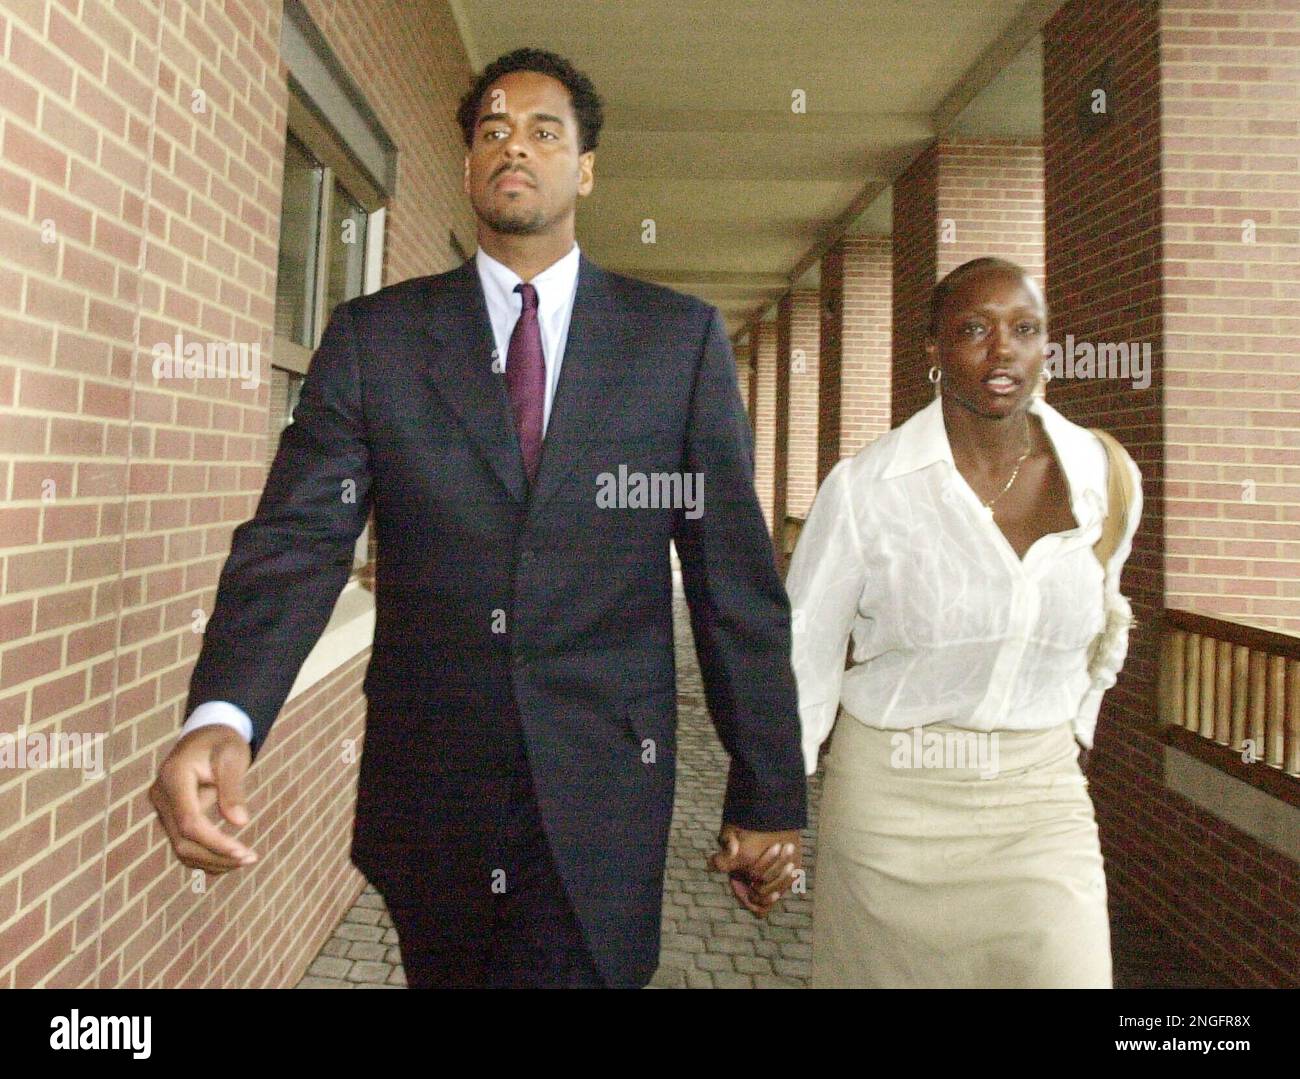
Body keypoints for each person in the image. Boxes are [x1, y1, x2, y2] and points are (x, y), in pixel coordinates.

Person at [149, 48, 805, 989]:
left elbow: (732, 581)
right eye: (492, 131)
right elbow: (299, 538)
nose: (515, 148)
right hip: (434, 797)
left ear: (584, 168)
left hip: (604, 788)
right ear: (467, 166)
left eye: (546, 132)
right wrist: (226, 711)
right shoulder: (377, 340)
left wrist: (768, 785)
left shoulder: (677, 342)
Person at [787, 257, 1141, 988]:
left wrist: (1074, 732)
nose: (1002, 348)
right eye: (975, 329)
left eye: (1025, 328)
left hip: (1038, 801)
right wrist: (773, 807)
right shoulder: (868, 489)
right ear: (934, 350)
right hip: (893, 807)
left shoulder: (1103, 476)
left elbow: (1107, 623)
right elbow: (801, 659)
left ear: (1047, 346)